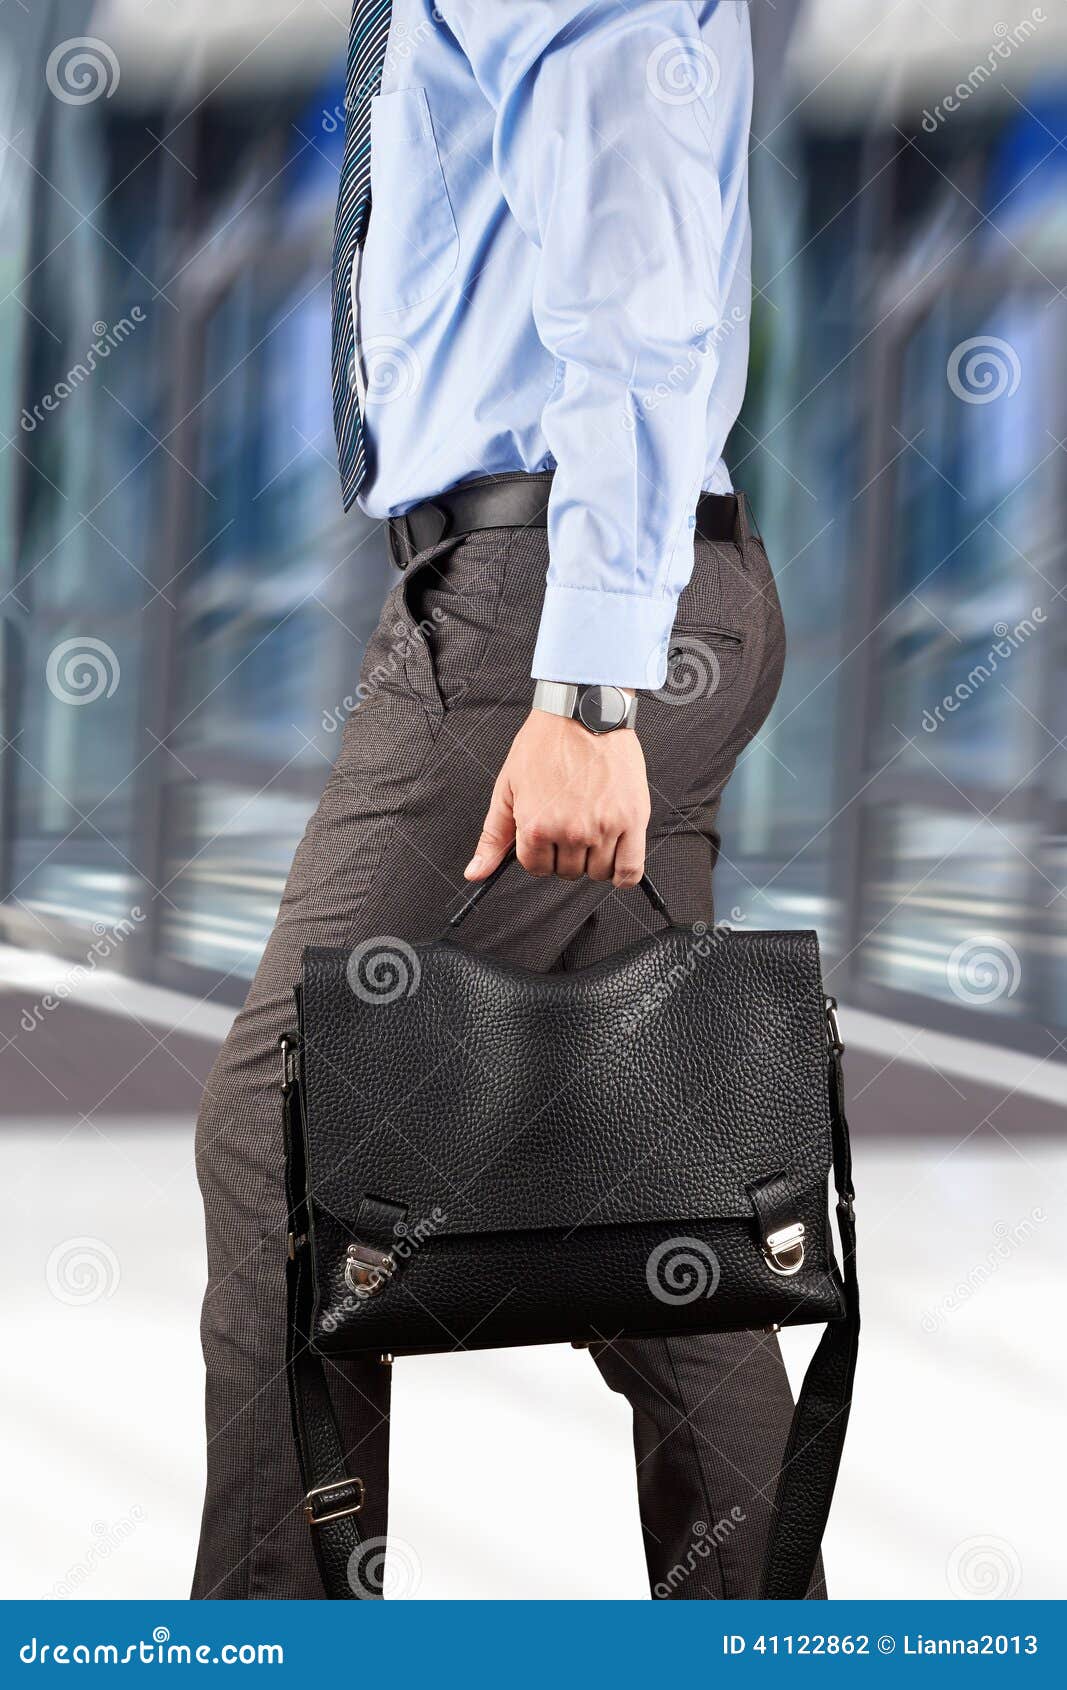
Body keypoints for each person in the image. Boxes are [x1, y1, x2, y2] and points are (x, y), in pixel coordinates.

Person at [192, 0, 820, 1600]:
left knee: (284, 1126)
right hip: (565, 591)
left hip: (553, 606)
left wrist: (588, 684)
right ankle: (764, 1635)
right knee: (645, 1165)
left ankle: (276, 1639)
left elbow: (639, 288)